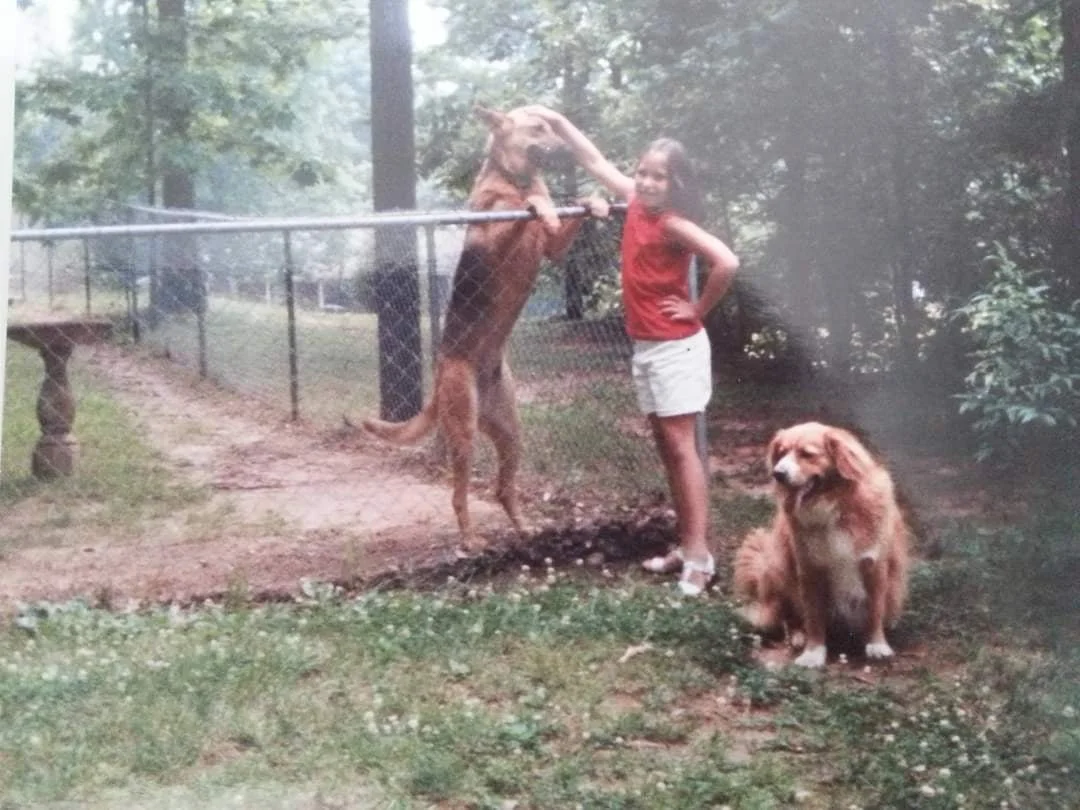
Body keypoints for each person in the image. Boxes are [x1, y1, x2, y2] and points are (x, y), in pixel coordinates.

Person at [522, 106, 740, 596]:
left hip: (675, 348)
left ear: (676, 183)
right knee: (669, 449)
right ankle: (687, 545)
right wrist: (557, 121)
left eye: (658, 177)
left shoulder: (673, 223)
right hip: (648, 346)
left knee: (682, 450)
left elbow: (726, 261)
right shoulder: (636, 203)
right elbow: (594, 159)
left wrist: (697, 308)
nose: (645, 182)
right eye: (642, 172)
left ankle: (700, 558)